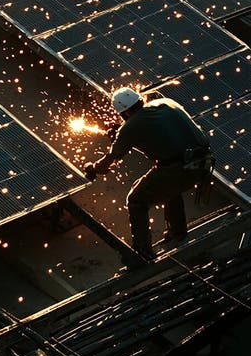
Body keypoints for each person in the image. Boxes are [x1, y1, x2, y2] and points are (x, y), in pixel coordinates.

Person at [84, 87, 214, 260]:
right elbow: (159, 135)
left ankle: (142, 252)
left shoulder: (130, 127)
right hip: (204, 162)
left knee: (136, 200)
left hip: (180, 170)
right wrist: (125, 133)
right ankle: (178, 233)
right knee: (166, 187)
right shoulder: (167, 103)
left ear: (124, 112)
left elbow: (110, 159)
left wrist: (93, 168)